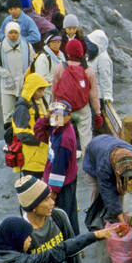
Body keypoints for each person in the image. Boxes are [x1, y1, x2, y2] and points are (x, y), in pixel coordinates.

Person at [50, 38, 102, 152]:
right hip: (81, 107)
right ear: (81, 52)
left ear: (67, 52)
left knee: (57, 134)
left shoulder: (60, 67)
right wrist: (98, 113)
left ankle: (56, 160)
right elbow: (93, 95)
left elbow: (54, 89)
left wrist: (52, 106)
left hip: (61, 107)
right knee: (85, 136)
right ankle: (87, 163)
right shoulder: (88, 71)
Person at [81, 134, 132, 230]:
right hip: (93, 160)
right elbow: (107, 190)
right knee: (98, 191)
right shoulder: (104, 165)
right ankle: (94, 218)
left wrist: (120, 184)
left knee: (119, 190)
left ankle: (115, 216)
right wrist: (122, 221)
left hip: (106, 143)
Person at [41, 100, 81, 235]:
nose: (57, 118)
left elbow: (59, 170)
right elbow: (39, 132)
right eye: (55, 114)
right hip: (60, 178)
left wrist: (53, 193)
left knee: (64, 216)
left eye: (61, 115)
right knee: (70, 212)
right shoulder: (57, 127)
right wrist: (46, 118)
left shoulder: (65, 138)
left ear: (68, 116)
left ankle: (71, 245)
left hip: (63, 184)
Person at [12, 72, 52, 182]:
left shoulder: (39, 102)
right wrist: (42, 138)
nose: (42, 93)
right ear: (32, 89)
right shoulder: (22, 108)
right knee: (33, 191)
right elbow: (22, 134)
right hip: (30, 159)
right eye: (40, 90)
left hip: (41, 156)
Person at [0, 19, 32, 121]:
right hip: (7, 86)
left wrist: (26, 75)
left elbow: (32, 63)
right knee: (8, 115)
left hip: (24, 85)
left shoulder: (27, 46)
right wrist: (6, 74)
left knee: (25, 114)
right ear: (6, 33)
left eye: (15, 33)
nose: (13, 35)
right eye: (10, 33)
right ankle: (9, 135)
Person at [86, 29, 113, 109]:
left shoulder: (103, 58)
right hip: (88, 92)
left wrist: (107, 96)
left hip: (98, 96)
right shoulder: (92, 55)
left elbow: (105, 77)